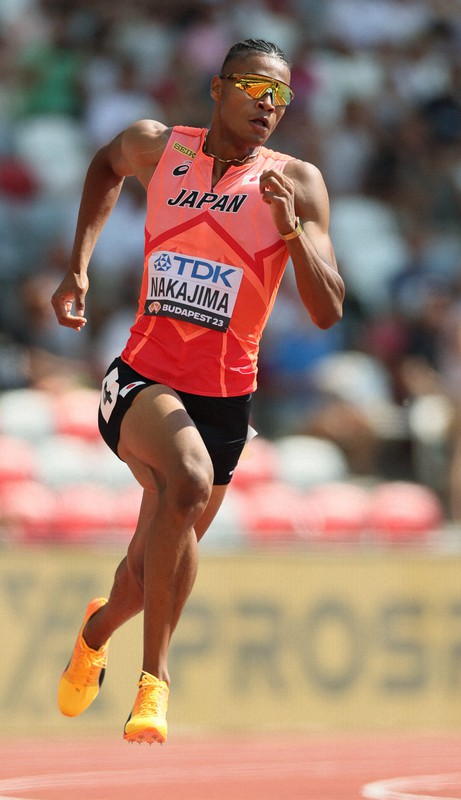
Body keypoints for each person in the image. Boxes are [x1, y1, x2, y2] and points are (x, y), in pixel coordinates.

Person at [51, 38, 344, 745]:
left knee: (144, 573)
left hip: (224, 402)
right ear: (216, 90)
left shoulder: (296, 184)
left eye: (280, 96)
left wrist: (291, 230)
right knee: (185, 479)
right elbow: (103, 166)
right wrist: (79, 267)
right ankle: (154, 686)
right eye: (253, 87)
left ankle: (95, 631)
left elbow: (328, 307)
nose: (267, 106)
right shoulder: (159, 146)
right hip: (141, 377)